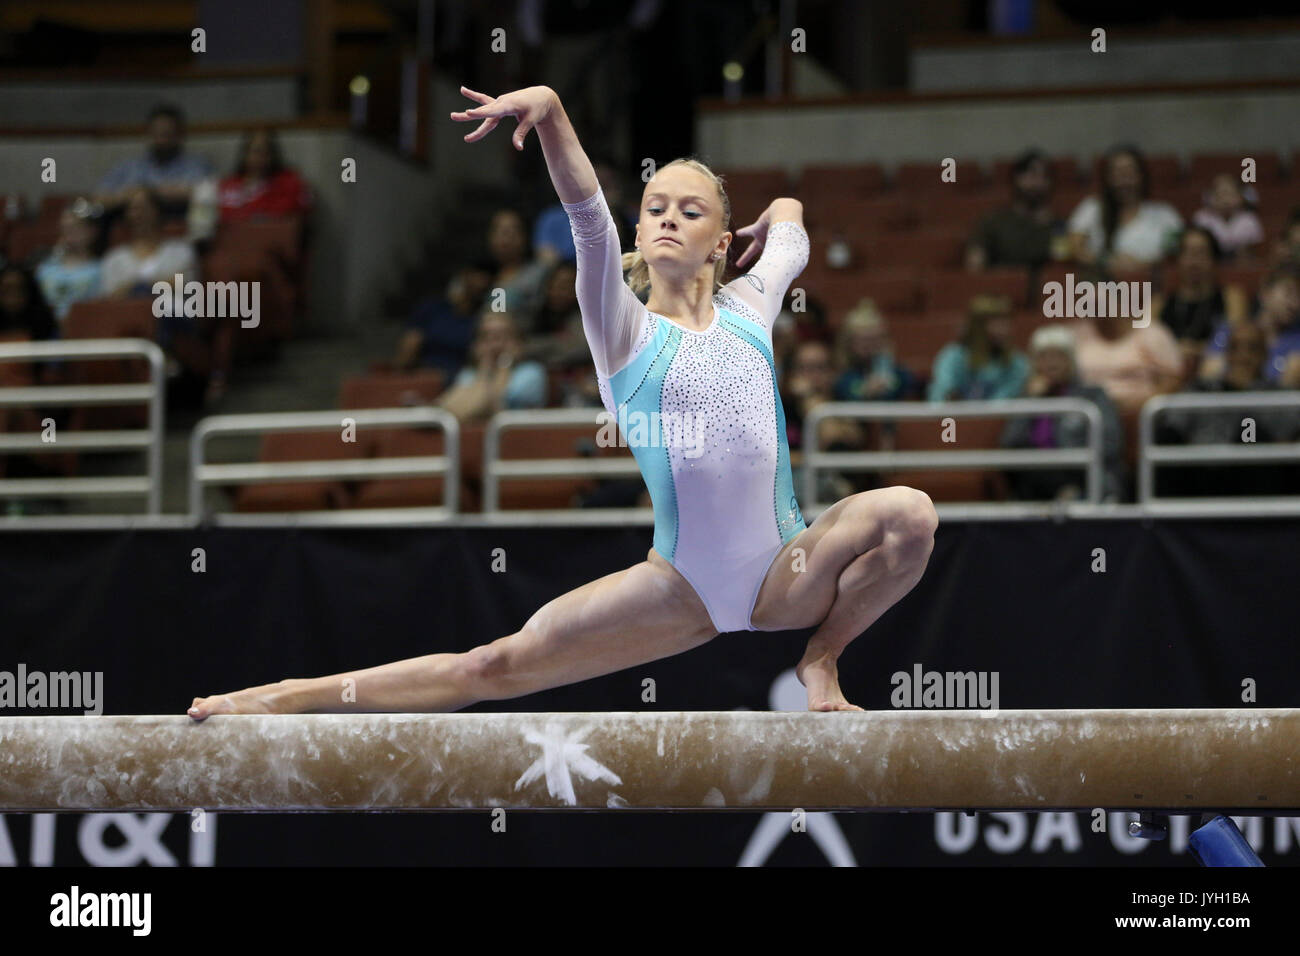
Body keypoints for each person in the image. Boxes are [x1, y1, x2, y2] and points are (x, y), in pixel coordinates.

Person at [188, 83, 937, 719]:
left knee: (910, 515)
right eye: (656, 207)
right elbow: (586, 216)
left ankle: (823, 660)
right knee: (493, 667)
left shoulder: (750, 308)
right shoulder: (624, 332)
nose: (669, 217)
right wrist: (549, 110)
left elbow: (794, 224)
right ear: (640, 229)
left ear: (718, 241)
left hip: (790, 569)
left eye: (692, 210)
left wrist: (770, 216)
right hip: (680, 589)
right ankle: (285, 698)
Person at [1156, 321, 1300, 496]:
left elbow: (1287, 440)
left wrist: (1247, 391)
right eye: (1235, 348)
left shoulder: (1277, 397)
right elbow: (1173, 423)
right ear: (1227, 354)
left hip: (1254, 479)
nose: (1243, 356)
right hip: (1203, 472)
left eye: (1252, 348)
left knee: (1250, 428)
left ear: (1264, 355)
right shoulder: (1203, 390)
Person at [999, 324, 1123, 502]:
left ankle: (1070, 491)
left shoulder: (1092, 395)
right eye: (1043, 357)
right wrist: (1031, 401)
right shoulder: (1026, 397)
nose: (1051, 363)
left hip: (1082, 476)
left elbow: (1110, 444)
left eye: (1058, 356)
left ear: (1071, 360)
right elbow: (1010, 443)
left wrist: (1069, 458)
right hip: (1036, 482)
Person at [1067, 144, 1182, 273]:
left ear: (1141, 175)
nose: (1124, 179)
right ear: (1108, 178)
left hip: (1151, 285)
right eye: (1117, 172)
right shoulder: (1091, 208)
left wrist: (1141, 266)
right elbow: (1075, 247)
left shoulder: (1165, 214)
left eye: (1129, 172)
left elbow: (1174, 256)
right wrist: (1108, 263)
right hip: (1101, 286)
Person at [1153, 226, 1249, 373]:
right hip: (1168, 369)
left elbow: (1236, 341)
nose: (1194, 261)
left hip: (1217, 371)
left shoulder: (1231, 297)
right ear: (1178, 259)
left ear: (1213, 259)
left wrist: (1198, 350)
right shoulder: (1158, 304)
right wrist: (1176, 349)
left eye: (1201, 253)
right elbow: (1144, 343)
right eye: (1188, 253)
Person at [94, 104, 214, 218]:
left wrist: (152, 192)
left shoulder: (196, 165)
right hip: (131, 232)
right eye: (156, 134)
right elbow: (98, 200)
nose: (161, 140)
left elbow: (208, 194)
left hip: (179, 229)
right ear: (148, 134)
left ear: (180, 135)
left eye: (167, 134)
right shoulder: (130, 166)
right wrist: (130, 195)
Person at [436, 311, 548, 424]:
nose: (495, 344)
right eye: (486, 337)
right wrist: (484, 369)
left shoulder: (531, 372)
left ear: (519, 343)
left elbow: (491, 404)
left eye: (503, 336)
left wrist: (505, 364)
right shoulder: (468, 374)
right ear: (476, 346)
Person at [1200, 265, 1300, 388]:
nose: (1296, 303)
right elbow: (1209, 374)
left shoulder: (1297, 340)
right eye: (1289, 293)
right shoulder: (1231, 332)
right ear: (1265, 293)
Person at [965, 148, 1064, 271]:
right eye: (1032, 175)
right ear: (1016, 179)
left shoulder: (1060, 225)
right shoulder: (994, 222)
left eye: (1044, 177)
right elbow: (975, 265)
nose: (1038, 182)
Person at [392, 261, 493, 379]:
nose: (480, 284)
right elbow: (409, 347)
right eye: (475, 280)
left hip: (462, 378)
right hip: (425, 375)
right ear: (463, 278)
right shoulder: (432, 309)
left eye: (485, 283)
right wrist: (399, 376)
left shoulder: (484, 318)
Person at [927, 294, 1030, 401]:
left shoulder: (1016, 362)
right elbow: (941, 394)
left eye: (1006, 323)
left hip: (997, 417)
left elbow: (1005, 403)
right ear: (978, 327)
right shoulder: (952, 357)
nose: (1003, 330)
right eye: (996, 323)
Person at [217, 128, 313, 223]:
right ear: (245, 154)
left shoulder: (289, 184)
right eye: (256, 151)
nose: (261, 157)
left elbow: (299, 217)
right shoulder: (228, 185)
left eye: (266, 152)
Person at [832, 299, 916, 402]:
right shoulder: (843, 377)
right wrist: (865, 392)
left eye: (873, 339)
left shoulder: (899, 373)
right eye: (862, 340)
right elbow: (846, 392)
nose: (868, 346)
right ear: (849, 342)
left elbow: (908, 387)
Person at [35, 202, 103, 325]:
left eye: (76, 228)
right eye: (66, 228)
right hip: (46, 328)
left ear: (92, 231)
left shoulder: (99, 269)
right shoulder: (45, 269)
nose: (70, 234)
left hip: (85, 327)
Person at [1192, 174, 1264, 261]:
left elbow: (1255, 249)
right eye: (1220, 194)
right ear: (1210, 197)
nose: (1225, 200)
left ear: (1240, 197)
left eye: (1229, 194)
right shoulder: (1201, 218)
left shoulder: (1250, 219)